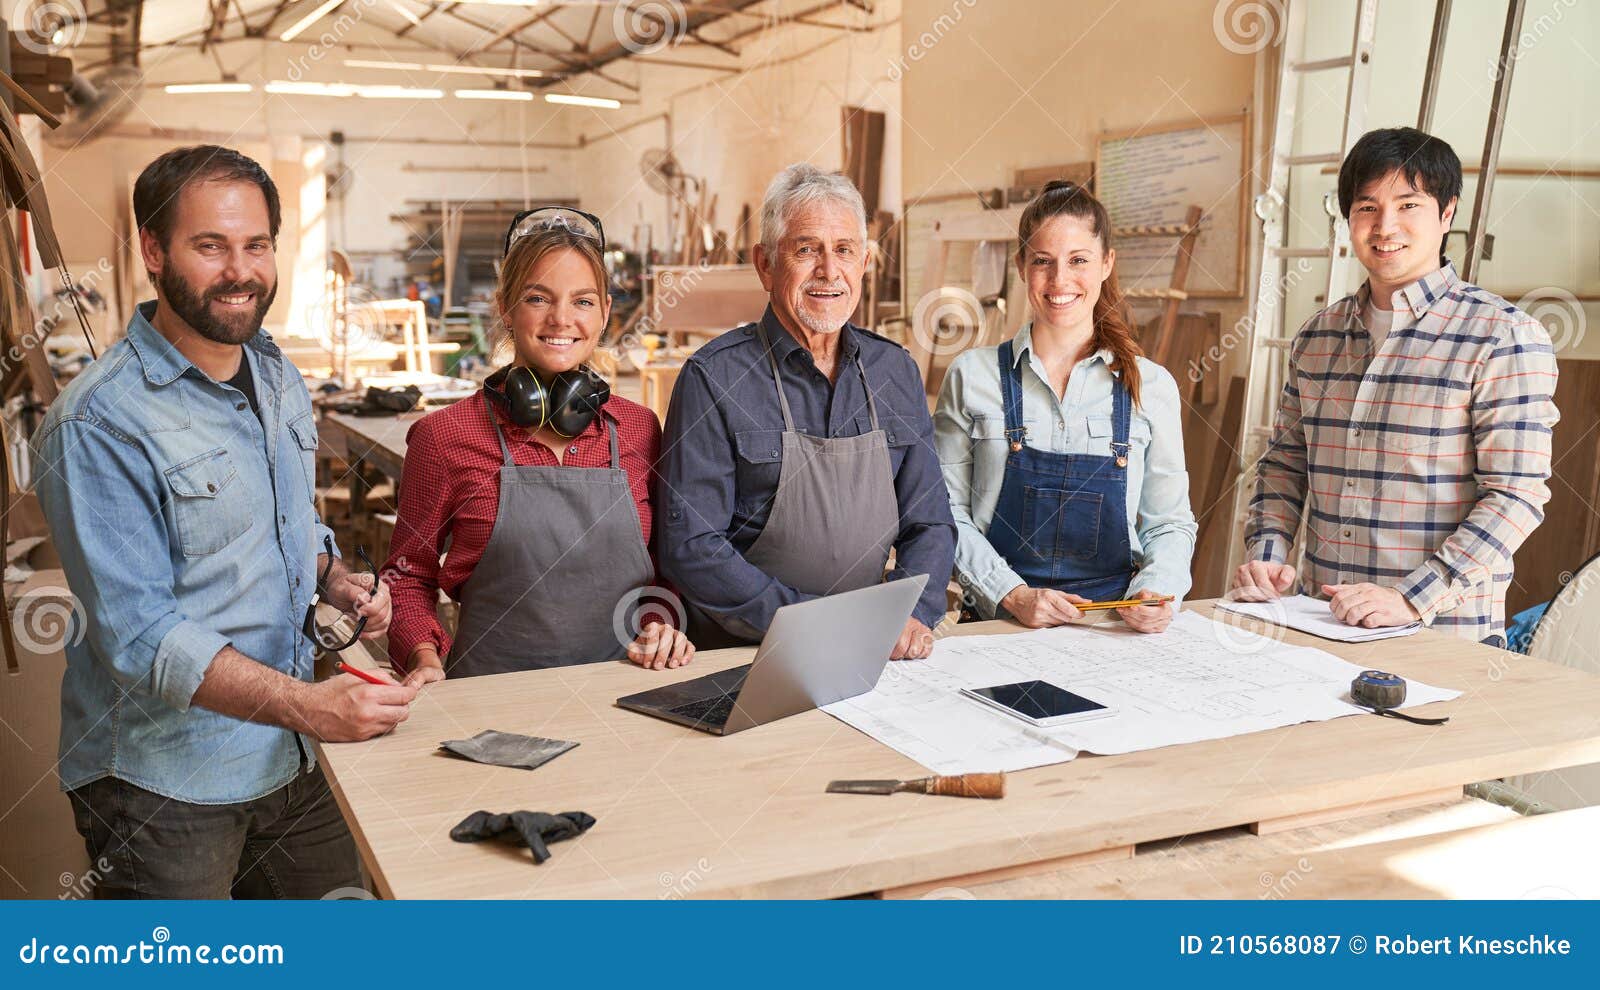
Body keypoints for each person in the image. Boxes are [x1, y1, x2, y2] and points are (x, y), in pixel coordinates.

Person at [32, 145, 401, 899]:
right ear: (153, 252)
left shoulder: (275, 373)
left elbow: (289, 522)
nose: (241, 271)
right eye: (211, 246)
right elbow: (142, 638)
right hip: (164, 786)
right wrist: (312, 705)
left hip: (293, 758)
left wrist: (336, 579)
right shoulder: (99, 422)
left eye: (256, 245)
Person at [1232, 127, 1559, 644]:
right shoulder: (1317, 337)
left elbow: (1515, 494)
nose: (1386, 226)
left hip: (1443, 635)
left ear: (1446, 213)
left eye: (1409, 205)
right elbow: (1284, 466)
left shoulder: (1503, 336)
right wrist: (1266, 558)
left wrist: (1412, 597)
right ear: (1348, 218)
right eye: (1367, 208)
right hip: (1321, 625)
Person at [656, 164, 956, 658]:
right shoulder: (714, 378)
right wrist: (807, 622)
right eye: (806, 249)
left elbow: (931, 522)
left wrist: (910, 612)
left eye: (844, 250)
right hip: (746, 651)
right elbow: (691, 546)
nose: (829, 271)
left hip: (871, 645)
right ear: (766, 265)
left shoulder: (894, 372)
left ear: (864, 263)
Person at [385, 209, 693, 682]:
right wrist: (423, 655)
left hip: (627, 695)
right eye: (537, 298)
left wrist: (661, 625)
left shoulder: (640, 430)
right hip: (489, 701)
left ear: (606, 312)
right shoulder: (444, 437)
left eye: (583, 301)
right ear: (505, 307)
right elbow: (408, 577)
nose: (562, 319)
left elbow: (667, 569)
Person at [934, 181, 1196, 633]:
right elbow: (943, 512)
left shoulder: (1151, 387)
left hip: (1112, 629)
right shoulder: (971, 377)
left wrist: (1155, 588)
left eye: (1078, 261)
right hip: (998, 627)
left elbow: (1169, 522)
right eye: (1043, 262)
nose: (1060, 281)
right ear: (1021, 266)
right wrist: (1011, 594)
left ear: (1106, 263)